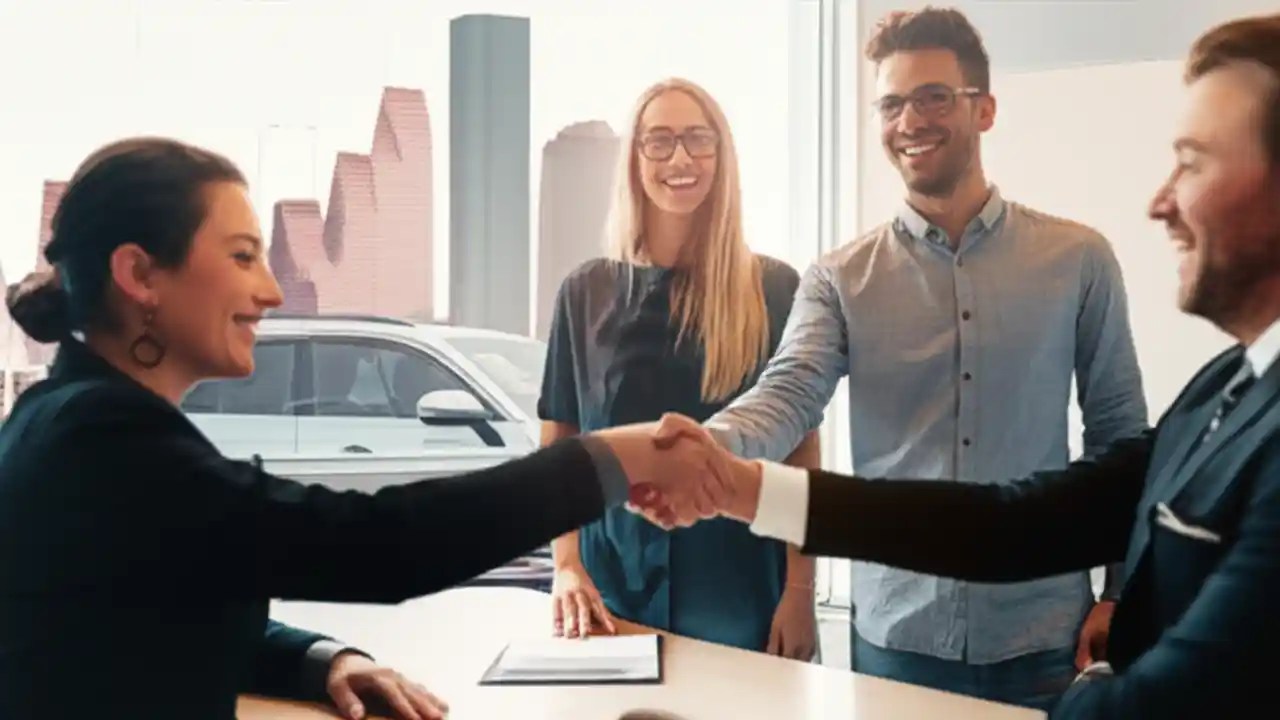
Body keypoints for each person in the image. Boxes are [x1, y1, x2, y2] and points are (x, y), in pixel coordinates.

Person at [652, 11, 1280, 718]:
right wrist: (715, 455)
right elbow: (792, 395)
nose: (909, 119)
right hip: (896, 632)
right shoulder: (838, 277)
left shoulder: (1078, 260)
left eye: (933, 97)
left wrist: (1116, 595)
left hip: (1042, 637)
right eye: (891, 103)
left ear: (984, 108)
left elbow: (1113, 444)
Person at [0, 136, 725, 720]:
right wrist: (610, 460)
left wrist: (325, 660)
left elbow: (177, 603)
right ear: (140, 274)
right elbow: (378, 545)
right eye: (243, 256)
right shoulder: (102, 442)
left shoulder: (65, 420)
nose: (272, 290)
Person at [539, 77, 821, 658]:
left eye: (698, 139)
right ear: (635, 158)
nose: (681, 158)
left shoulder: (773, 288)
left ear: (723, 154)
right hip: (611, 586)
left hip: (738, 589)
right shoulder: (584, 293)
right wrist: (565, 566)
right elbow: (560, 445)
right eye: (659, 141)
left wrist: (800, 592)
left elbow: (801, 454)